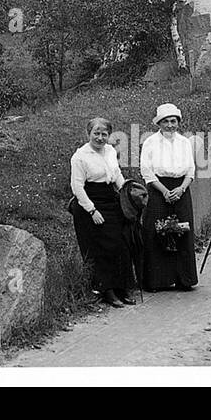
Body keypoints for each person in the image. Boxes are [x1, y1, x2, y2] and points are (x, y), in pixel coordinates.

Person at [68, 117, 136, 308]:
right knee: (102, 248)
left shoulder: (110, 151)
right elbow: (77, 187)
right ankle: (107, 291)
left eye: (104, 134)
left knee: (121, 243)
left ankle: (123, 288)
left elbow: (117, 175)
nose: (100, 137)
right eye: (95, 133)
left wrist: (126, 192)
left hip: (110, 199)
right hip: (89, 202)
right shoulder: (80, 156)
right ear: (88, 133)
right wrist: (92, 211)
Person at [140, 102, 198, 291]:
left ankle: (184, 279)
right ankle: (158, 280)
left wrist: (181, 189)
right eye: (166, 121)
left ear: (178, 122)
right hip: (158, 189)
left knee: (183, 231)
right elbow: (146, 171)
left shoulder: (184, 142)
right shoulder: (150, 142)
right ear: (159, 123)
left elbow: (191, 169)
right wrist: (164, 191)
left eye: (173, 121)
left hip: (181, 188)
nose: (170, 125)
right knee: (156, 232)